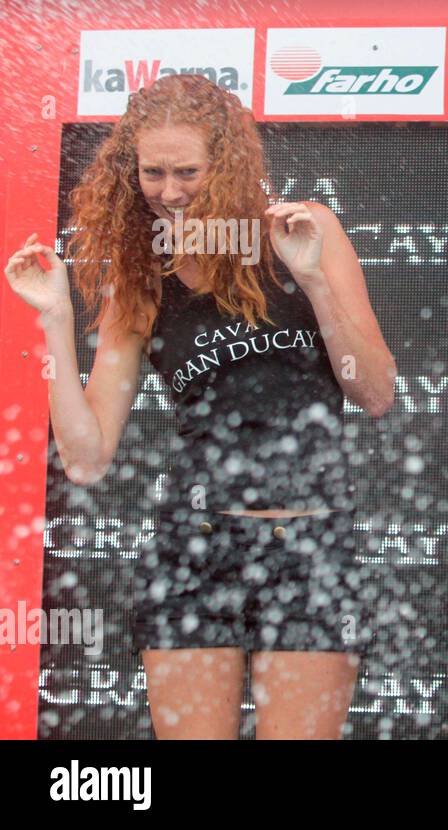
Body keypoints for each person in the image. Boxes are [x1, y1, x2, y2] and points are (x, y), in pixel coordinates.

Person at [4, 74, 396, 739]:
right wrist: (54, 319)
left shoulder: (306, 229)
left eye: (187, 171)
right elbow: (87, 457)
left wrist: (311, 281)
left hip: (310, 547)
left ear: (228, 166)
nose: (170, 190)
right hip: (194, 547)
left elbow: (376, 392)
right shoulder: (140, 272)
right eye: (152, 172)